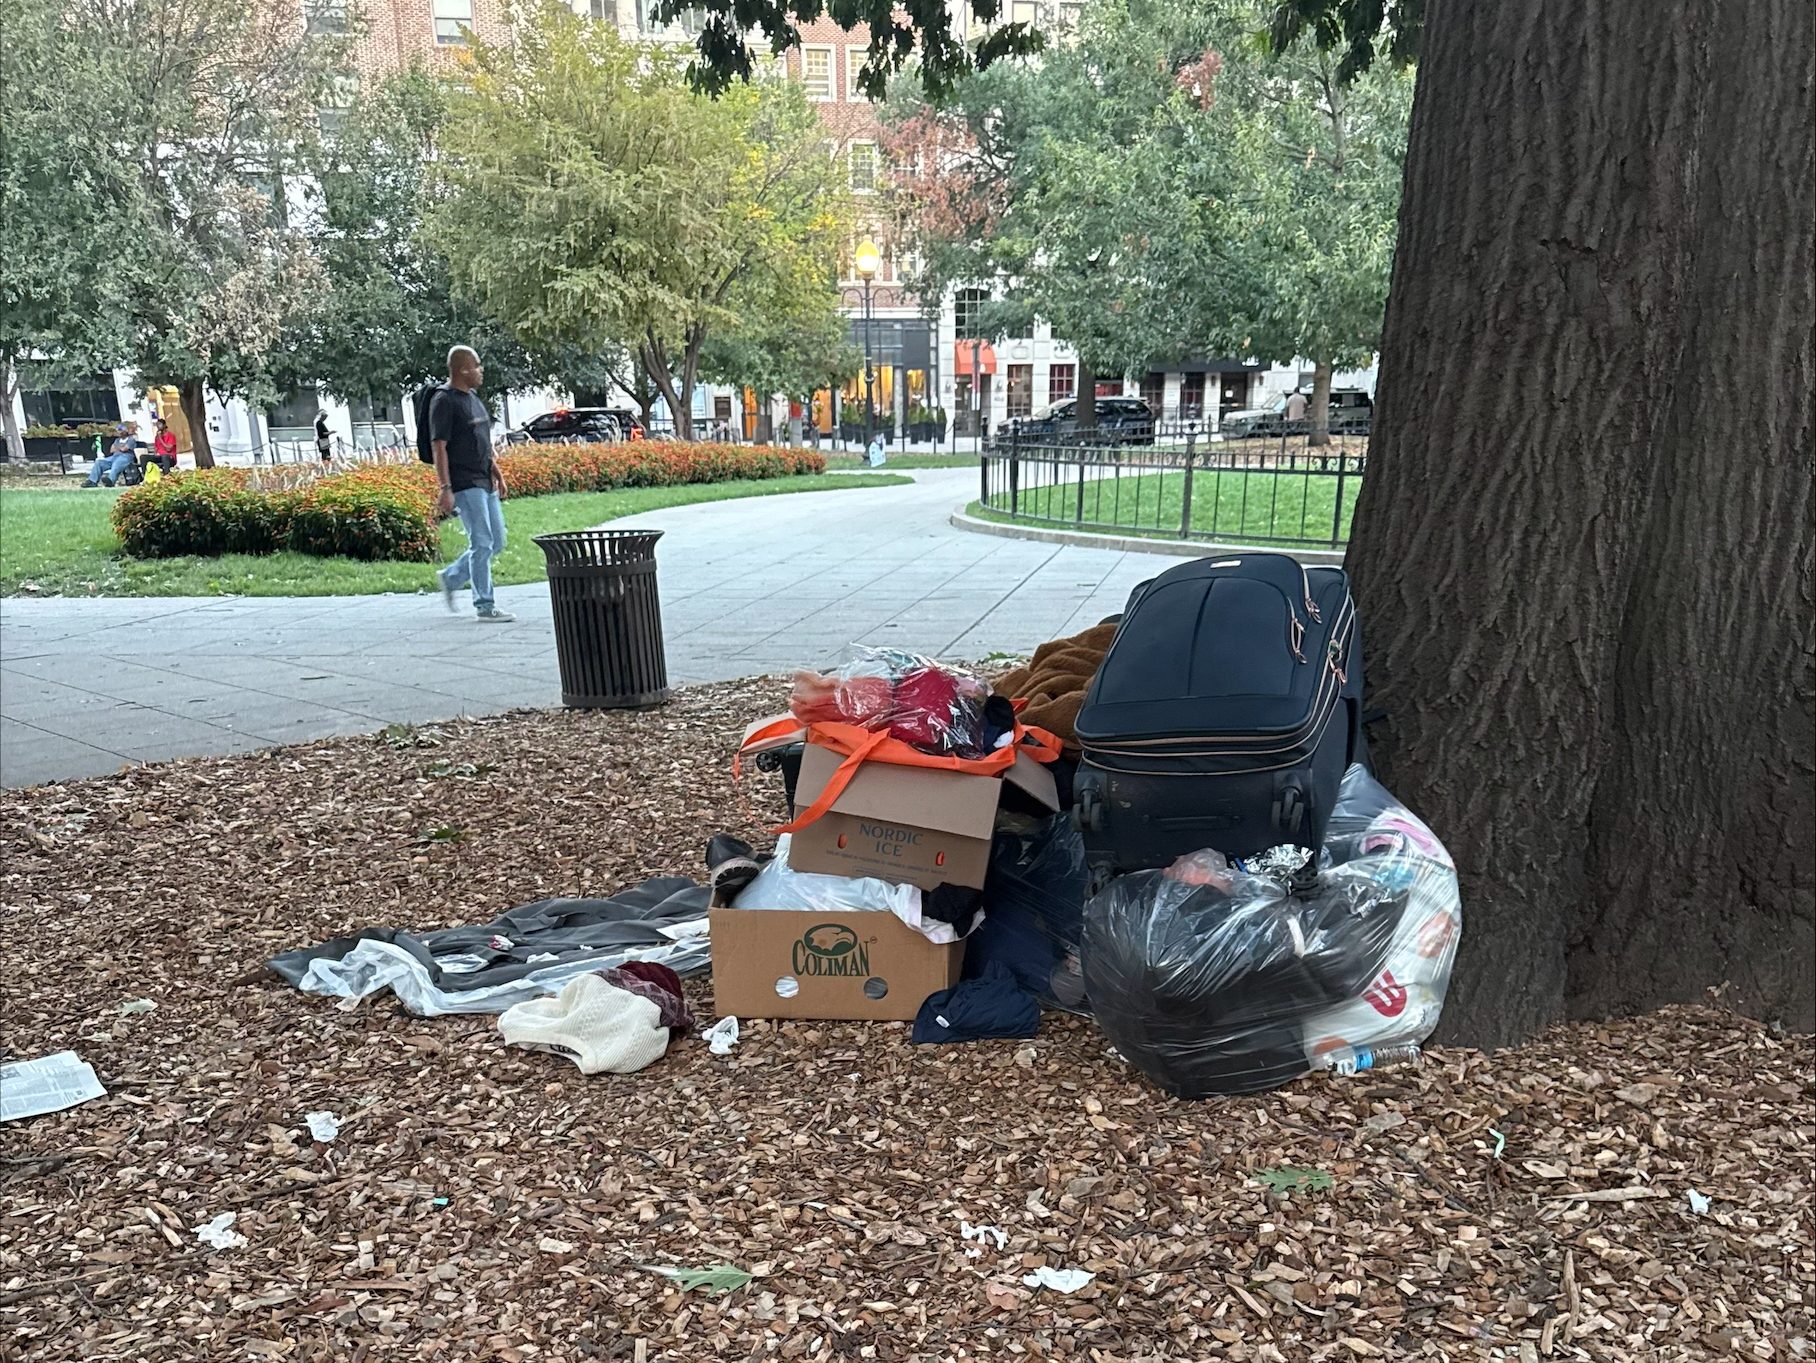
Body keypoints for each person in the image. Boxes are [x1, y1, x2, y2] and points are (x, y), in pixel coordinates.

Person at [432, 345, 513, 622]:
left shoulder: (474, 399)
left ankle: (451, 578)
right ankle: (485, 605)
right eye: (477, 366)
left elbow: (481, 442)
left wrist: (497, 473)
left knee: (497, 542)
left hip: (484, 479)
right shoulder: (444, 401)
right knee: (482, 542)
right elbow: (439, 447)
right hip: (465, 482)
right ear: (463, 369)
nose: (481, 371)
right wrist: (445, 488)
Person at [85, 423, 138, 487]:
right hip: (114, 456)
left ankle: (111, 481)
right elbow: (111, 450)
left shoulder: (131, 440)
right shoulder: (117, 440)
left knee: (116, 464)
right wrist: (120, 448)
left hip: (126, 457)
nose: (119, 432)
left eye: (120, 430)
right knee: (99, 462)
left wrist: (118, 448)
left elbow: (124, 449)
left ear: (125, 431)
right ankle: (92, 481)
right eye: (118, 430)